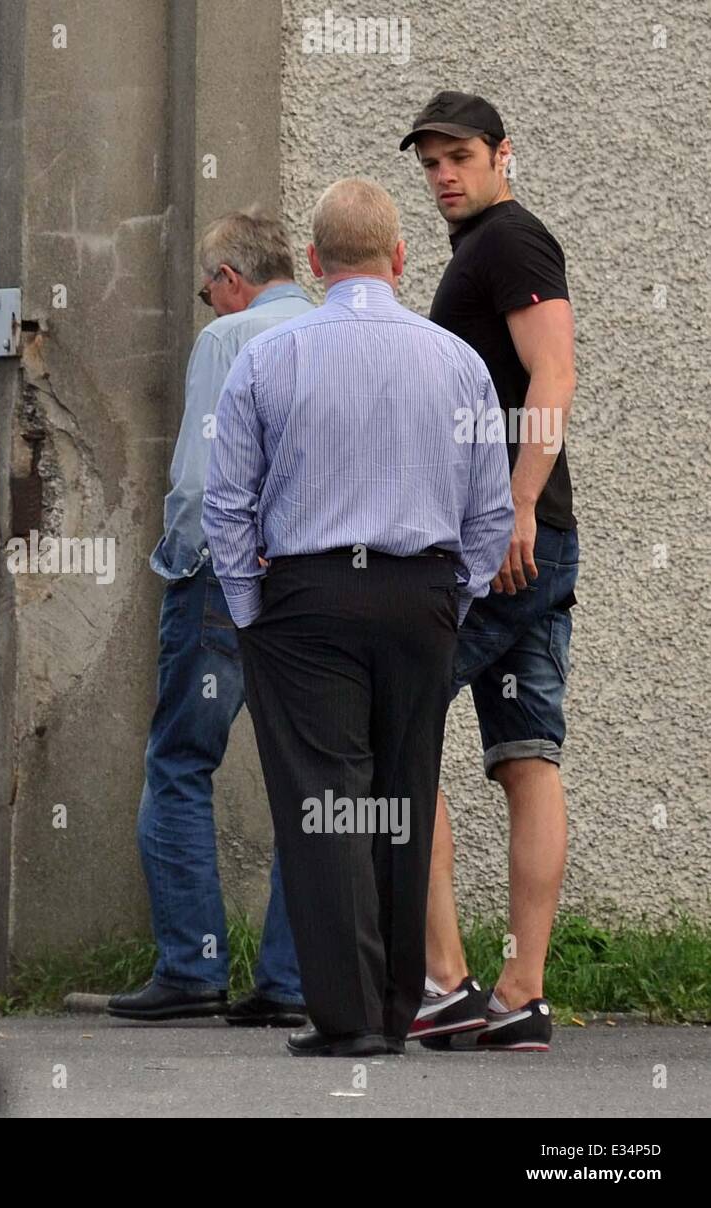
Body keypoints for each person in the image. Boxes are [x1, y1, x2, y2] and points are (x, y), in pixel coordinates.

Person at [203, 179, 513, 1056]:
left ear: (313, 263)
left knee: (326, 803)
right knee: (402, 798)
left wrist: (249, 609)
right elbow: (490, 512)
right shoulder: (458, 361)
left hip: (307, 599)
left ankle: (347, 1021)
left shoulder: (269, 357)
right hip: (420, 598)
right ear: (402, 257)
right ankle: (394, 1006)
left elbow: (227, 504)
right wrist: (455, 598)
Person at [400, 92, 578, 1052]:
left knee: (401, 732)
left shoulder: (511, 242)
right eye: (429, 164)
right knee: (525, 758)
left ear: (504, 153)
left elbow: (555, 373)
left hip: (503, 543)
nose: (443, 177)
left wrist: (513, 503)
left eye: (459, 156)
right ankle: (522, 995)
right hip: (530, 541)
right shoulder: (488, 247)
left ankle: (446, 979)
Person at [109, 208, 311, 1025]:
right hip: (315, 587)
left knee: (180, 762)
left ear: (231, 279)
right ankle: (293, 982)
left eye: (207, 289)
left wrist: (181, 563)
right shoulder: (333, 330)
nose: (209, 303)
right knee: (308, 781)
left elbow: (199, 479)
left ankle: (192, 969)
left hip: (226, 583)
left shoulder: (230, 340)